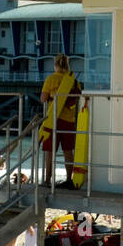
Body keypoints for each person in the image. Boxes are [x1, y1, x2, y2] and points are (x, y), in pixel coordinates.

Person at [39, 53, 81, 187]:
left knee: (50, 152)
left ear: (55, 65)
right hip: (69, 120)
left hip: (53, 120)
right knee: (68, 151)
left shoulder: (51, 79)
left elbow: (43, 99)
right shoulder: (74, 81)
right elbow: (78, 97)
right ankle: (69, 179)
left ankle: (47, 180)